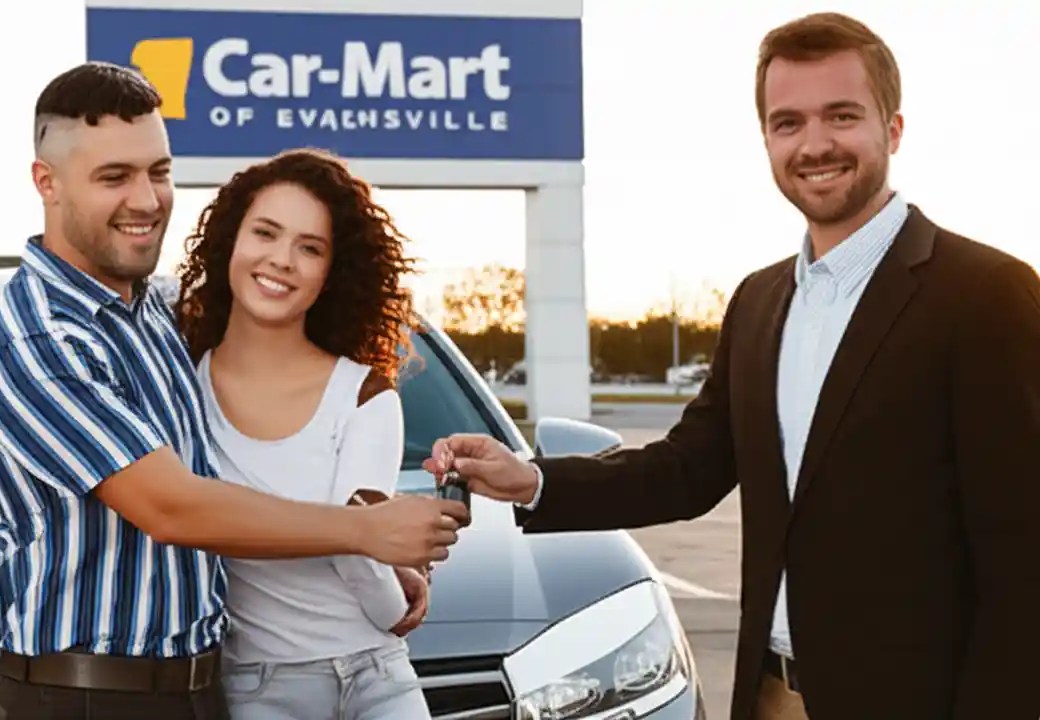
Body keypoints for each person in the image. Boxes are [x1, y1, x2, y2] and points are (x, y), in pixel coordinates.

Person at [425, 12, 1040, 720]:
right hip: (772, 694)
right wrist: (531, 479)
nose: (815, 145)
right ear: (767, 140)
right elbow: (691, 467)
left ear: (892, 129)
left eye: (841, 116)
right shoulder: (759, 301)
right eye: (788, 123)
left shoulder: (986, 293)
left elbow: (1024, 559)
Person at [0, 62, 469, 720]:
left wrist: (373, 568)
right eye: (113, 177)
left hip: (204, 689)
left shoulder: (155, 313)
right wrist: (364, 532)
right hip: (84, 698)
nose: (145, 200)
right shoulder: (39, 340)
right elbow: (176, 509)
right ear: (46, 183)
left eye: (160, 171)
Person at [172, 148, 433, 719]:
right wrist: (400, 602)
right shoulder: (180, 387)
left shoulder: (364, 393)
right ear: (230, 242)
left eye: (309, 247)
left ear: (331, 272)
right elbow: (364, 540)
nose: (282, 259)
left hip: (378, 679)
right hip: (259, 689)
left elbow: (363, 554)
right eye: (266, 233)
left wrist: (391, 589)